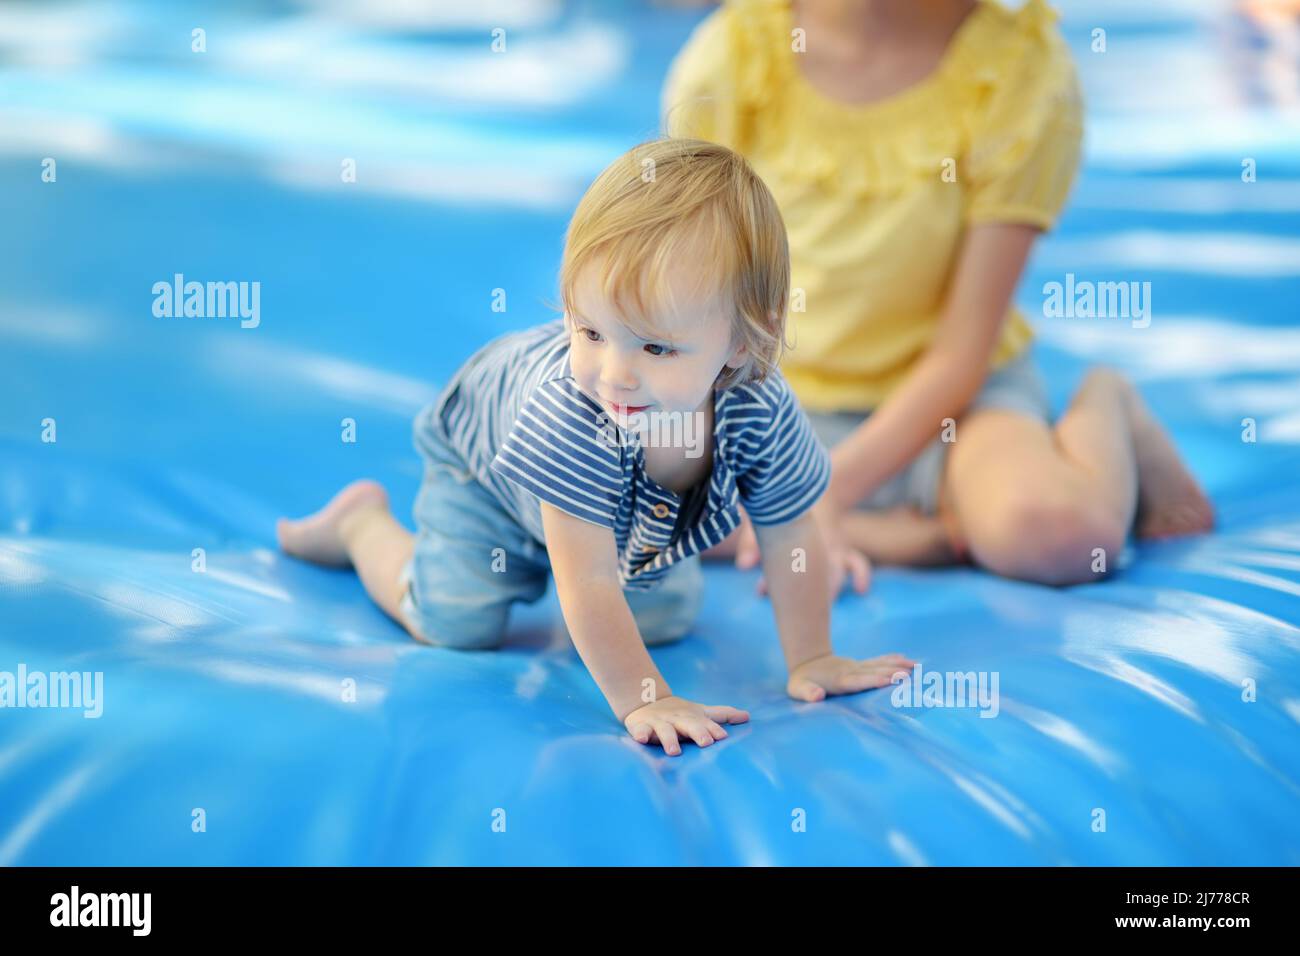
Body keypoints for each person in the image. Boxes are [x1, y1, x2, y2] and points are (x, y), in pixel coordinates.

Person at [276, 138, 915, 757]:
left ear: (743, 343)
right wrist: (646, 699)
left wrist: (813, 656)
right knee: (456, 624)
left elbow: (790, 536)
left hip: (625, 514)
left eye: (656, 347)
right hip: (488, 478)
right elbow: (586, 582)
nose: (615, 373)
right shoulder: (574, 414)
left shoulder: (760, 407)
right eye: (590, 330)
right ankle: (361, 524)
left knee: (664, 621)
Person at [665, 0, 1215, 589]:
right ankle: (920, 537)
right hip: (772, 400)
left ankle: (1110, 402)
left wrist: (814, 493)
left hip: (954, 409)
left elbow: (961, 355)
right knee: (632, 503)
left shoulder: (1019, 70)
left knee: (1059, 536)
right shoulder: (736, 57)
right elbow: (690, 299)